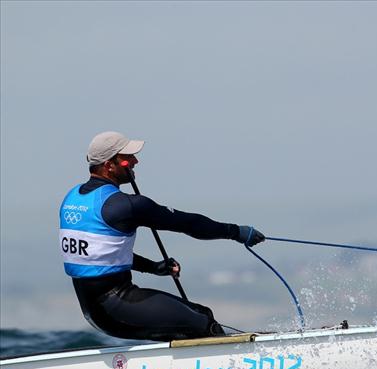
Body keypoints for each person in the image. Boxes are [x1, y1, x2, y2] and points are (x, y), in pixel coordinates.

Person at [59, 131, 266, 341]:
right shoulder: (124, 205)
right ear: (109, 165)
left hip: (94, 311)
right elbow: (189, 223)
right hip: (117, 305)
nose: (135, 161)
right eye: (127, 157)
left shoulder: (72, 199)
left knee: (193, 313)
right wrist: (235, 232)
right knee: (203, 321)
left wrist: (153, 267)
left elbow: (100, 256)